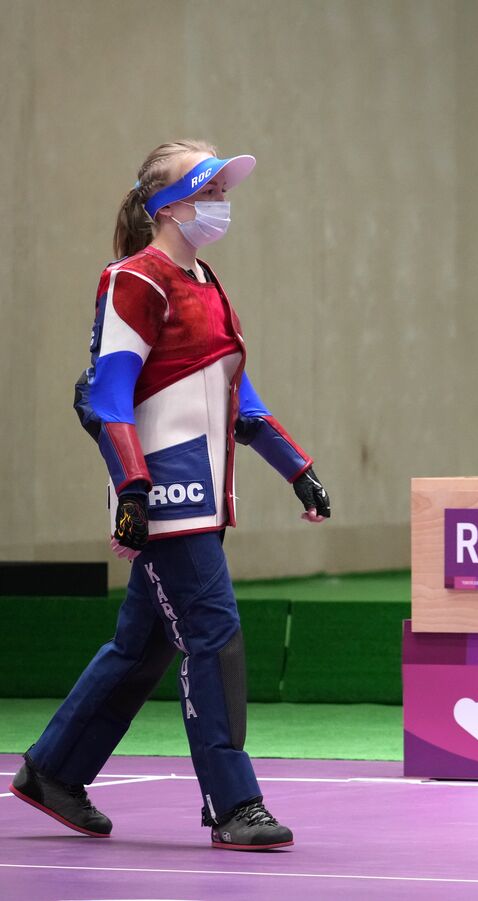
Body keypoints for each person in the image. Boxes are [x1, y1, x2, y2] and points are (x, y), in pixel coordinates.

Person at [8, 140, 331, 852]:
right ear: (172, 206)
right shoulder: (135, 280)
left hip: (202, 498)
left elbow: (238, 398)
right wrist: (132, 488)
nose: (222, 202)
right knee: (213, 636)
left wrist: (296, 468)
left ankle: (52, 770)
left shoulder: (206, 279)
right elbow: (107, 396)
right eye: (210, 189)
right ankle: (233, 803)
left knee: (141, 647)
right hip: (165, 500)